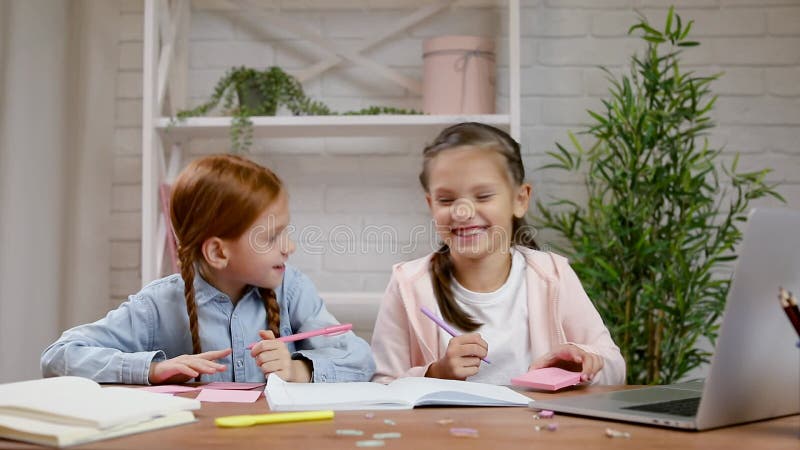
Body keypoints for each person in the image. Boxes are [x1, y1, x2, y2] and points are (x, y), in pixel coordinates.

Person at [42, 154, 374, 384]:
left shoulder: (293, 289)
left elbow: (362, 358)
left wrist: (297, 370)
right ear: (217, 251)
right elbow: (59, 356)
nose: (290, 247)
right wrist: (152, 369)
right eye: (272, 236)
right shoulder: (158, 305)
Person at [371, 122, 625, 385]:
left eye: (483, 196)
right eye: (446, 200)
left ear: (520, 200)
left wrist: (583, 365)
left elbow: (615, 368)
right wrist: (436, 373)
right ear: (430, 204)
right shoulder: (408, 285)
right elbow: (383, 385)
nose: (464, 212)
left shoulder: (553, 275)